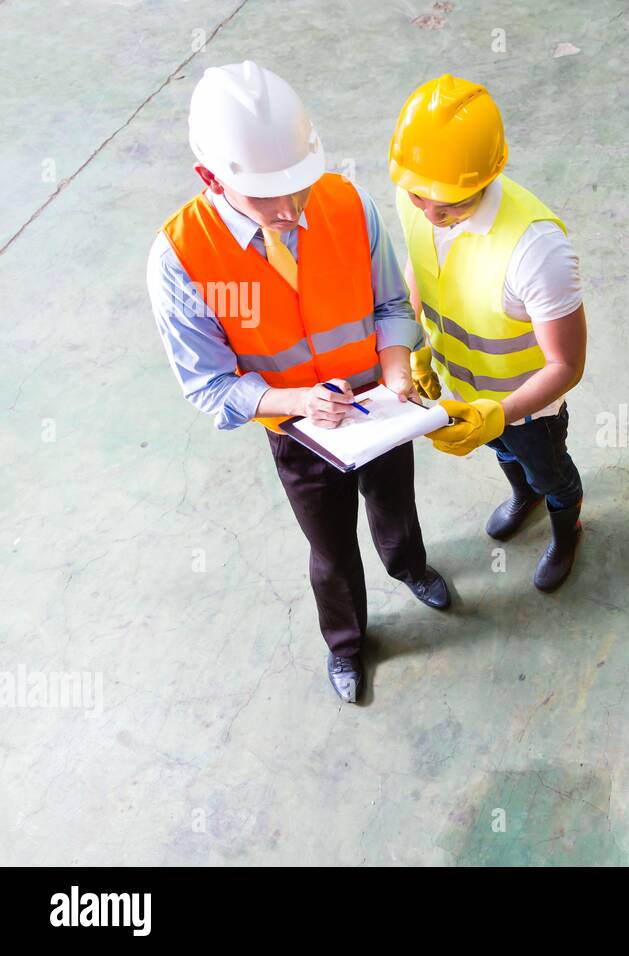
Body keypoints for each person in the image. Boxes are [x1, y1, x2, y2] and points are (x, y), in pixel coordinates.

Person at [147, 61, 450, 702]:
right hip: (298, 432)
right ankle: (347, 645)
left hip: (382, 406)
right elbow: (208, 386)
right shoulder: (182, 258)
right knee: (331, 549)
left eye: (299, 189)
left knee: (396, 503)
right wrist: (295, 402)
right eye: (266, 198)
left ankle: (410, 566)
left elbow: (393, 307)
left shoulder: (345, 203)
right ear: (210, 178)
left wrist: (396, 370)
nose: (289, 211)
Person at [389, 75, 587, 592]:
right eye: (418, 196)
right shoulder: (417, 196)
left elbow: (566, 365)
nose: (430, 213)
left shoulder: (536, 250)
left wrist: (498, 413)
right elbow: (420, 266)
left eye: (448, 203)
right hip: (465, 390)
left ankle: (566, 530)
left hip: (528, 407)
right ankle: (526, 496)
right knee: (503, 452)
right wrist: (416, 347)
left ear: (487, 174)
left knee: (550, 470)